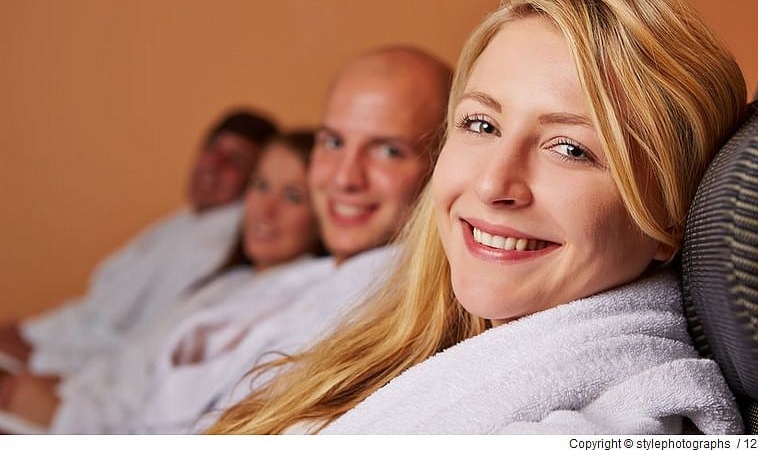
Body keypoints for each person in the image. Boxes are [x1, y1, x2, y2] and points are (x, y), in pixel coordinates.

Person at [207, 0, 748, 435]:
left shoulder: (627, 421)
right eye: (481, 123)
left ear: (668, 220)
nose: (493, 184)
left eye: (570, 148)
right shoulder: (399, 340)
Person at [1, 46, 453, 434]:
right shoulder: (307, 281)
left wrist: (65, 414)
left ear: (443, 164)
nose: (344, 178)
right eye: (332, 142)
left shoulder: (390, 311)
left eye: (388, 150)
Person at [0, 130, 323, 432]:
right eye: (261, 185)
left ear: (322, 211)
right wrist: (54, 379)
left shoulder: (285, 301)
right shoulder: (233, 279)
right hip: (78, 395)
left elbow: (167, 417)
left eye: (293, 196)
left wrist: (58, 399)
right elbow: (131, 357)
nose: (266, 210)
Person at [0, 110, 277, 377]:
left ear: (253, 181)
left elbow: (137, 346)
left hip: (78, 378)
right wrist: (30, 334)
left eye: (235, 161)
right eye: (212, 149)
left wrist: (39, 356)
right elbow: (96, 310)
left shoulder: (214, 245)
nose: (213, 164)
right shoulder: (187, 221)